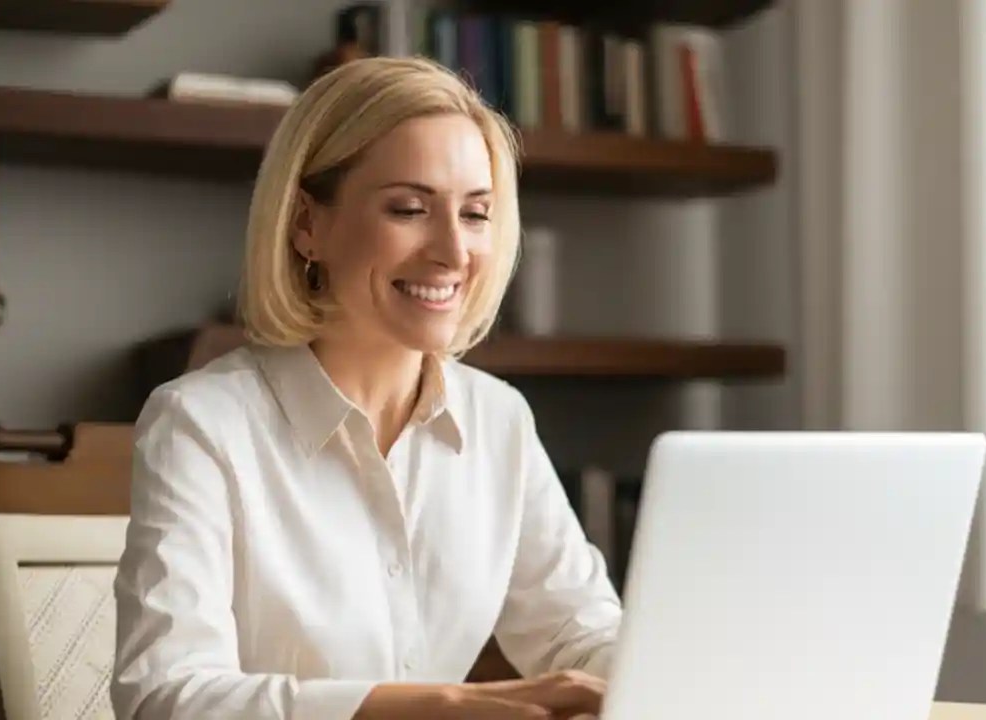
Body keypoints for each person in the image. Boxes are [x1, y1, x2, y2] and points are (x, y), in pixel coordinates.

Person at [111, 57, 622, 720]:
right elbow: (165, 697)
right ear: (307, 225)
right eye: (409, 209)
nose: (453, 251)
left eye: (475, 214)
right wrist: (429, 705)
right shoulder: (200, 425)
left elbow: (581, 637)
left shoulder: (499, 421)